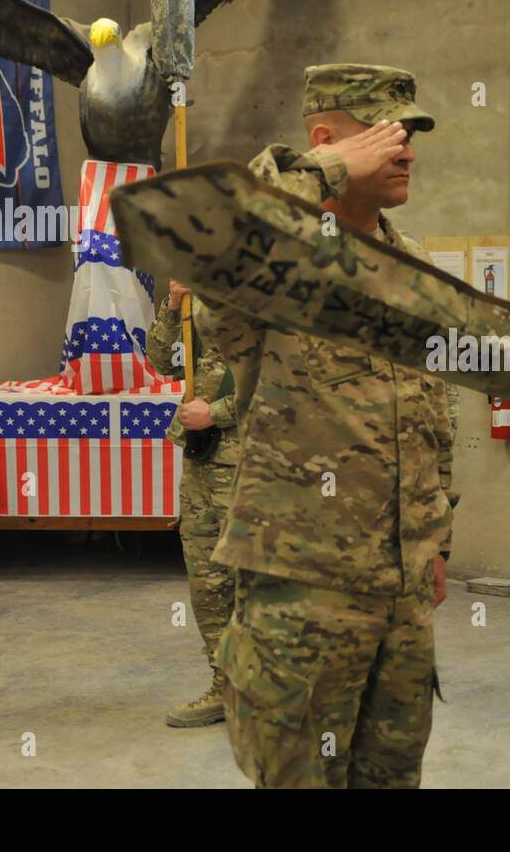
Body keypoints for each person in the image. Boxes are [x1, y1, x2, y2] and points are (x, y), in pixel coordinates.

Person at [195, 63, 458, 788]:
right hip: (303, 584)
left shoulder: (414, 266)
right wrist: (324, 173)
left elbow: (433, 414)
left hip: (400, 585)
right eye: (389, 132)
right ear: (325, 138)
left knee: (393, 771)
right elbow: (216, 233)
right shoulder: (277, 262)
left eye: (414, 134)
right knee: (300, 774)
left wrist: (435, 537)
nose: (407, 148)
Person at [147, 279, 239, 726]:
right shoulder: (198, 293)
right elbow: (161, 361)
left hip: (257, 462)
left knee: (260, 583)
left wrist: (218, 413)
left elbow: (295, 384)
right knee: (208, 580)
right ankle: (226, 686)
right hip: (203, 458)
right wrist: (173, 303)